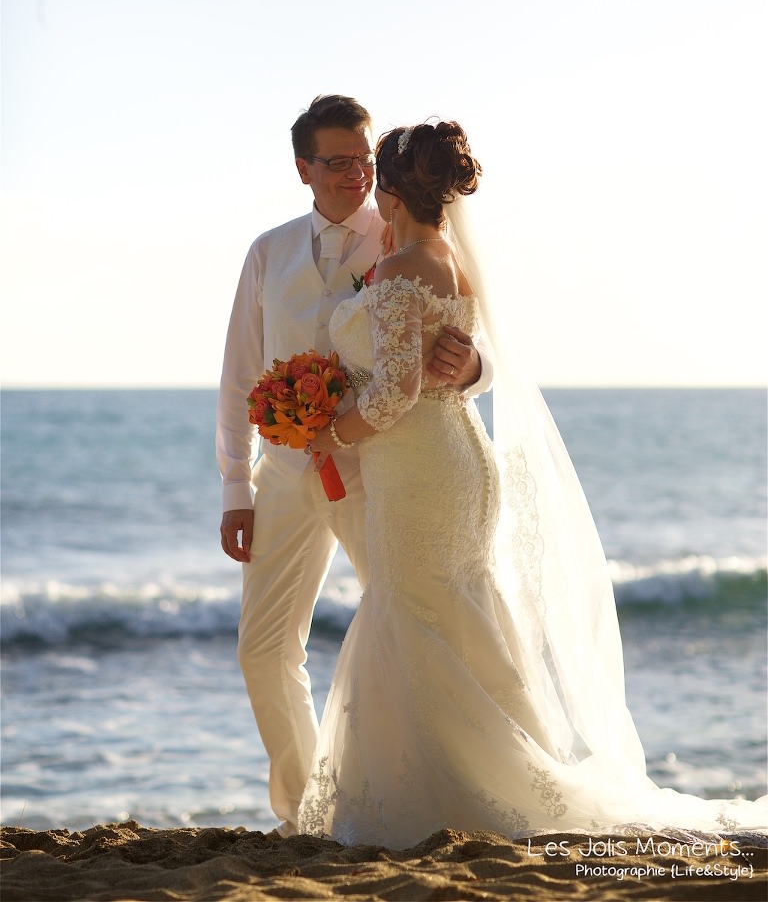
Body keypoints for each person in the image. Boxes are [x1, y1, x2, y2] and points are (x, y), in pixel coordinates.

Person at [298, 119, 767, 847]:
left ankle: (431, 795)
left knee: (412, 606)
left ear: (390, 191)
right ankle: (490, 776)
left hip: (418, 466)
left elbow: (391, 397)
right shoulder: (452, 260)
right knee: (456, 608)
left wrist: (326, 431)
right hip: (460, 458)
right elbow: (437, 367)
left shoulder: (396, 274)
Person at [216, 95, 491, 837]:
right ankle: (304, 810)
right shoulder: (267, 251)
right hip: (282, 472)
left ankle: (433, 794)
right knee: (263, 649)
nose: (357, 174)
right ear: (303, 168)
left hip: (380, 471)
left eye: (365, 159)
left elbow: (473, 353)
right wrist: (234, 486)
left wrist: (471, 369)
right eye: (338, 161)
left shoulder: (406, 238)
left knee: (411, 630)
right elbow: (239, 374)